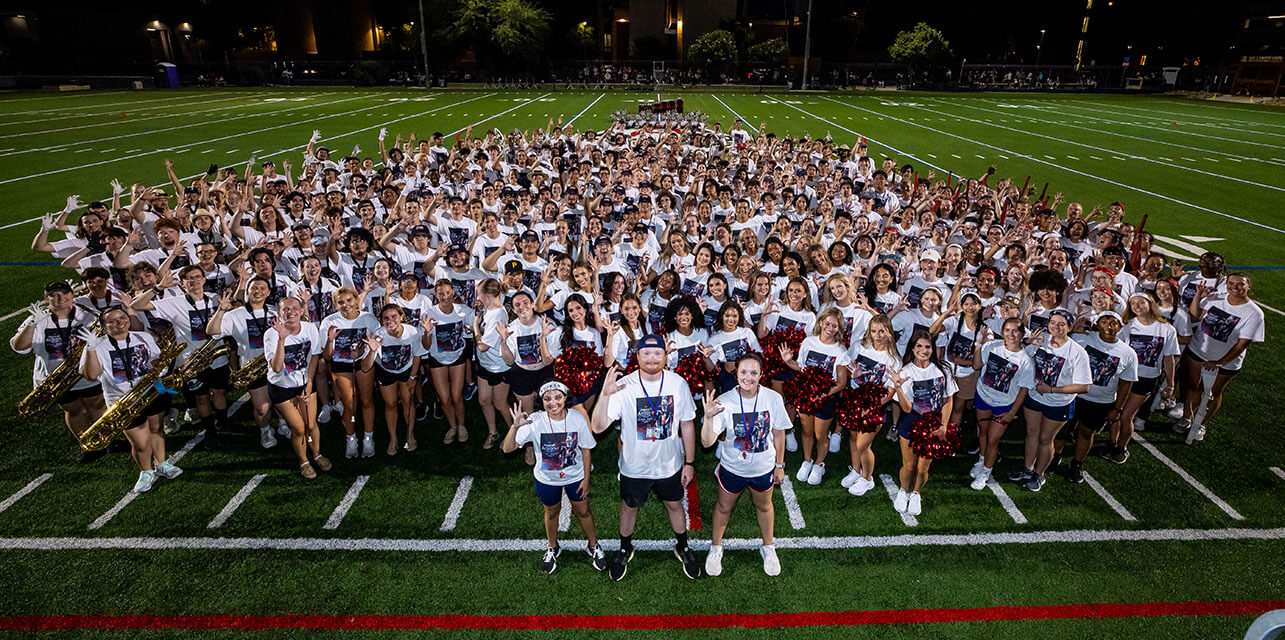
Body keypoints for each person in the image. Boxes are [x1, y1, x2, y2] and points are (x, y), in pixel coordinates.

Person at [591, 334, 701, 581]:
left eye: (658, 354)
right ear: (638, 356)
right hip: (634, 466)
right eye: (647, 354)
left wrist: (690, 463)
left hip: (670, 464)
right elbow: (597, 428)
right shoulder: (624, 385)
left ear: (665, 356)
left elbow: (687, 425)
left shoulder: (677, 383)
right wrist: (605, 394)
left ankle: (682, 545)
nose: (652, 358)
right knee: (629, 507)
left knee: (675, 504)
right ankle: (625, 547)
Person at [503, 381, 606, 574]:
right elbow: (507, 449)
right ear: (541, 402)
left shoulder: (577, 418)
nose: (553, 403)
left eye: (557, 397)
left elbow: (586, 449)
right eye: (547, 399)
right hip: (547, 479)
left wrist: (586, 479)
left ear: (565, 398)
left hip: (575, 476)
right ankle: (552, 547)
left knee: (583, 512)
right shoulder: (535, 420)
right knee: (551, 513)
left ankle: (593, 545)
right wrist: (515, 427)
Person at [700, 352, 788, 577]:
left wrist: (780, 464)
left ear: (761, 375)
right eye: (743, 372)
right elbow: (707, 442)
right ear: (735, 372)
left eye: (753, 373)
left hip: (763, 467)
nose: (748, 377)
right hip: (733, 467)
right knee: (723, 507)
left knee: (765, 506)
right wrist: (708, 418)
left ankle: (768, 547)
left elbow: (779, 433)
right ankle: (716, 547)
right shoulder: (725, 401)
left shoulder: (772, 398)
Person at [79, 307, 180, 493]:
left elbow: (155, 360)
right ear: (103, 326)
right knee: (140, 443)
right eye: (112, 320)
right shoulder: (97, 345)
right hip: (123, 400)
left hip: (151, 391)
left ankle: (162, 463)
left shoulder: (143, 337)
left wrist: (162, 366)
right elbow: (91, 374)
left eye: (123, 317)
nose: (120, 322)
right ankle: (146, 471)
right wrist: (91, 348)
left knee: (156, 429)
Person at [10, 281, 106, 462]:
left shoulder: (89, 315)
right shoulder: (39, 319)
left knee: (97, 404)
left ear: (72, 295)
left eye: (64, 293)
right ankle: (87, 444)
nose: (60, 298)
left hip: (86, 373)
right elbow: (19, 347)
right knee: (73, 409)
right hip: (56, 378)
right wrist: (32, 323)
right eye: (54, 295)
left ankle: (106, 439)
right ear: (47, 299)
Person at [1176, 273, 1264, 442]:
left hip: (1225, 362)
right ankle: (1186, 417)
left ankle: (1201, 424)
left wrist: (1220, 362)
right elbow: (1195, 316)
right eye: (1231, 283)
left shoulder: (1255, 314)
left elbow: (1242, 344)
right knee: (1193, 387)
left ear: (1248, 287)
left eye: (1240, 284)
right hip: (1198, 349)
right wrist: (1197, 297)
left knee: (1213, 392)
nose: (1235, 287)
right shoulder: (1217, 297)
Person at [1014, 310, 1091, 491]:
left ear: (1070, 327)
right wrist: (1027, 343)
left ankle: (1040, 474)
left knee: (1045, 438)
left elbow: (1084, 386)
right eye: (1053, 322)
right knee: (1031, 433)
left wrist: (1051, 389)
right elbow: (1021, 357)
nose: (1055, 327)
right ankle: (1027, 468)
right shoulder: (1040, 339)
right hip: (1034, 396)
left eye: (1061, 324)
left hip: (1058, 402)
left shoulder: (1077, 352)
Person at [1064, 312, 1138, 484]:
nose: (1108, 326)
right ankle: (1055, 458)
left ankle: (1076, 464)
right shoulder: (1082, 338)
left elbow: (1126, 384)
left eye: (1113, 322)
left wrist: (1117, 408)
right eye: (1104, 322)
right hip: (1073, 394)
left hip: (1100, 401)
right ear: (1097, 324)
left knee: (1086, 432)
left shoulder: (1128, 353)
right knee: (1063, 429)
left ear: (1120, 327)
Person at [890, 330, 958, 516]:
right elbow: (905, 407)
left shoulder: (943, 369)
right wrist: (898, 388)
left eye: (927, 347)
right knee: (909, 465)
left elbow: (947, 400)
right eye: (919, 346)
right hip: (911, 422)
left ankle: (916, 493)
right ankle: (904, 491)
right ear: (912, 348)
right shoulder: (906, 371)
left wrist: (943, 426)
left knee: (923, 467)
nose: (923, 350)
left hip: (934, 424)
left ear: (933, 349)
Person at [780, 308, 850, 485]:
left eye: (834, 325)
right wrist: (789, 361)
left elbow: (841, 383)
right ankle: (807, 460)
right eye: (827, 323)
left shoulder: (840, 351)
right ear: (820, 323)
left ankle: (819, 464)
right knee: (806, 431)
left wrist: (821, 395)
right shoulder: (808, 342)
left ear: (839, 328)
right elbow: (802, 367)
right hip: (805, 395)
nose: (830, 327)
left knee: (821, 434)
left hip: (825, 399)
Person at [207, 279, 277, 448]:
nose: (258, 291)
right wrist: (221, 310)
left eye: (262, 288)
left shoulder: (277, 311)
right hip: (253, 368)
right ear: (247, 292)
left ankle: (282, 425)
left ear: (268, 293)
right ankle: (265, 430)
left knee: (282, 402)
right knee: (262, 408)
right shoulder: (234, 314)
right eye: (254, 288)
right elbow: (212, 331)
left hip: (278, 365)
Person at [264, 296, 328, 478]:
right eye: (285, 309)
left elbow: (315, 356)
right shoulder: (271, 334)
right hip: (281, 387)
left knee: (311, 423)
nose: (290, 312)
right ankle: (303, 460)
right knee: (299, 428)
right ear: (279, 313)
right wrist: (281, 340)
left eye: (294, 308)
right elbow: (276, 367)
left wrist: (309, 384)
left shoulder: (309, 328)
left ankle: (317, 454)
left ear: (302, 311)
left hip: (304, 383)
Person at [969, 317, 1034, 490]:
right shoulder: (992, 346)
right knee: (982, 433)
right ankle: (982, 460)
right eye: (1007, 330)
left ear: (1022, 334)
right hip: (983, 396)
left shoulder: (1026, 360)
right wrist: (978, 345)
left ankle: (985, 473)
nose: (1011, 334)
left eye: (1015, 331)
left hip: (1004, 404)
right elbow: (976, 366)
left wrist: (1012, 412)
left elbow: (1024, 389)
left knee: (993, 439)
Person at [840, 313, 901, 496]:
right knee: (852, 437)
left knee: (863, 445)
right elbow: (848, 366)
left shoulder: (894, 359)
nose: (877, 335)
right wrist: (854, 376)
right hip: (854, 398)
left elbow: (890, 392)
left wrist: (871, 408)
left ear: (889, 332)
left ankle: (867, 479)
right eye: (874, 331)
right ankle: (856, 470)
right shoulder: (859, 346)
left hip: (875, 405)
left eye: (882, 331)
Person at [321, 287, 381, 458]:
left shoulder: (368, 319)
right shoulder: (329, 322)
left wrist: (363, 351)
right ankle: (351, 437)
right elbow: (326, 356)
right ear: (335, 305)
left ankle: (368, 437)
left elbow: (375, 345)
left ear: (356, 301)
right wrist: (330, 341)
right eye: (341, 302)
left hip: (363, 364)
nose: (346, 305)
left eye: (349, 301)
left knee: (367, 400)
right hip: (341, 366)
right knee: (349, 403)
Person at [362, 304, 427, 455]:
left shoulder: (412, 332)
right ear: (382, 321)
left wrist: (413, 376)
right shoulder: (378, 335)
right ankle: (393, 439)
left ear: (401, 317)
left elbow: (417, 355)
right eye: (386, 318)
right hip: (386, 371)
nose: (390, 320)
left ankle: (410, 435)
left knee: (408, 402)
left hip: (406, 370)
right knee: (390, 404)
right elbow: (365, 367)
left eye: (394, 316)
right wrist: (372, 351)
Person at [423, 279, 475, 444]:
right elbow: (425, 345)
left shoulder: (463, 311)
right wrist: (426, 333)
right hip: (437, 359)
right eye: (441, 294)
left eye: (447, 293)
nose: (445, 297)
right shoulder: (429, 313)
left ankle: (461, 425)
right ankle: (452, 426)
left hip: (457, 358)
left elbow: (477, 325)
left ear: (453, 292)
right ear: (435, 295)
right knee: (444, 398)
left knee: (457, 396)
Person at [473, 279, 513, 450]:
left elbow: (482, 346)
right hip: (485, 365)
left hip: (499, 367)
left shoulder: (498, 314)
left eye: (478, 294)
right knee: (483, 400)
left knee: (500, 403)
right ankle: (493, 432)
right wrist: (481, 309)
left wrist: (475, 326)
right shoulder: (490, 309)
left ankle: (515, 431)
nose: (477, 297)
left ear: (487, 296)